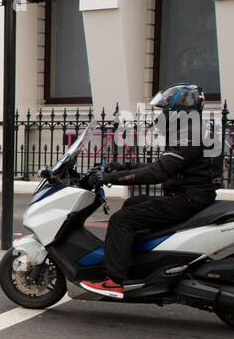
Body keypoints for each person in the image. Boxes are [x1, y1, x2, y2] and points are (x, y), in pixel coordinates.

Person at [80, 84, 219, 299]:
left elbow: (159, 172)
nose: (161, 115)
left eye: (165, 110)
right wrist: (121, 167)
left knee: (122, 220)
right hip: (191, 197)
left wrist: (110, 178)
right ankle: (139, 264)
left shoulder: (191, 135)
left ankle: (114, 281)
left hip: (187, 200)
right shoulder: (195, 130)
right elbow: (162, 165)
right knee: (133, 204)